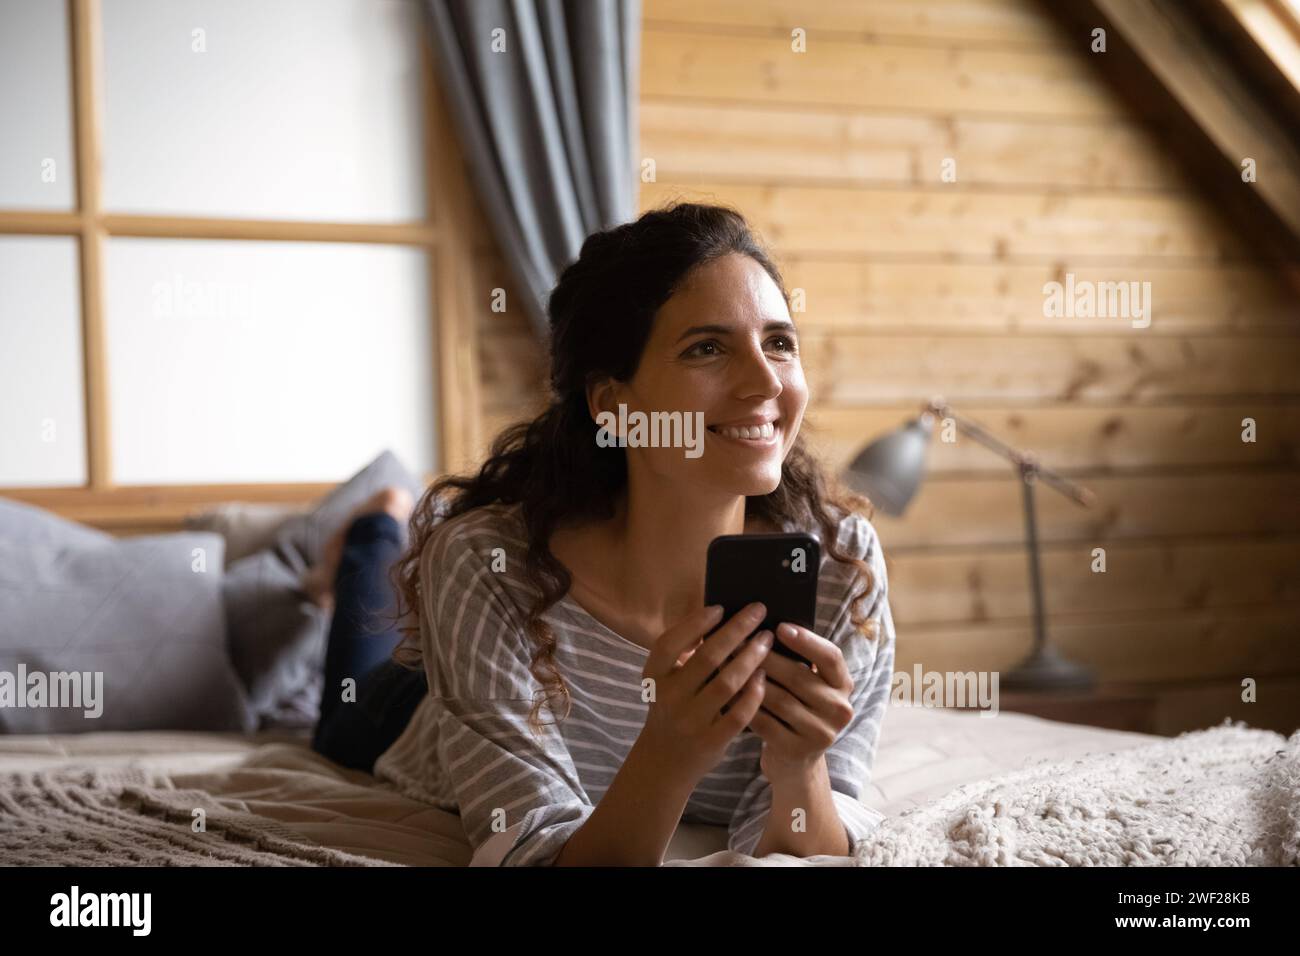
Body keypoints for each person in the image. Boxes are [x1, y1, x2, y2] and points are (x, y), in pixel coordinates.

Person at [311, 202, 897, 867]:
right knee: (345, 703)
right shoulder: (488, 565)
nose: (765, 381)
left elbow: (809, 845)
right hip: (410, 711)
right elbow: (535, 851)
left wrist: (800, 769)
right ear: (614, 404)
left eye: (780, 342)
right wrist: (669, 753)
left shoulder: (843, 568)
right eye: (707, 347)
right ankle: (375, 530)